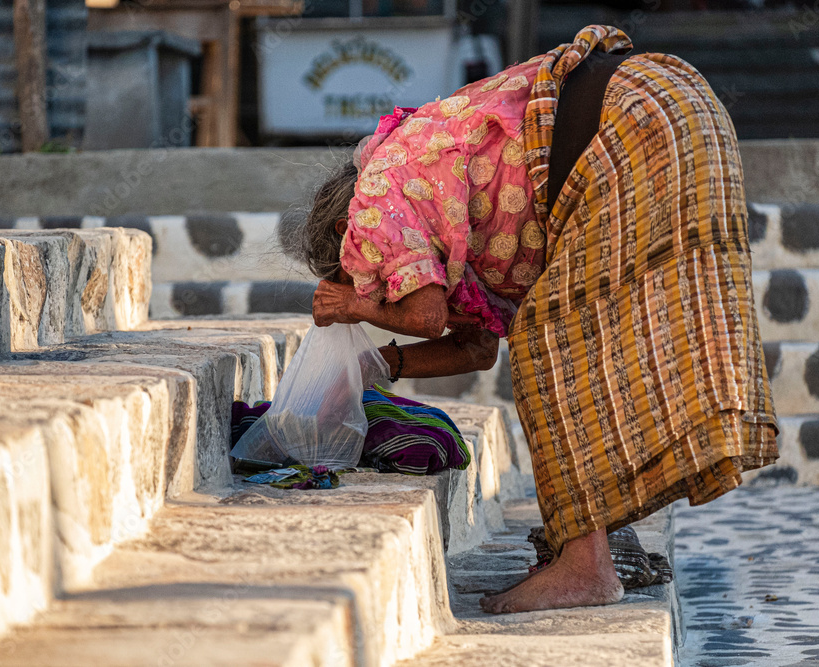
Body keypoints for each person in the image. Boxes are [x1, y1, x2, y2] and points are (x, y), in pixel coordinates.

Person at [283, 25, 779, 614]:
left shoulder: (376, 195)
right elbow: (475, 350)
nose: (373, 284)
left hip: (632, 120)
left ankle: (584, 567)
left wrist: (351, 306)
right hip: (675, 106)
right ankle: (596, 538)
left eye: (359, 274)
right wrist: (378, 365)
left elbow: (424, 312)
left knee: (553, 338)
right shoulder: (439, 219)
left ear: (343, 236)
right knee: (595, 337)